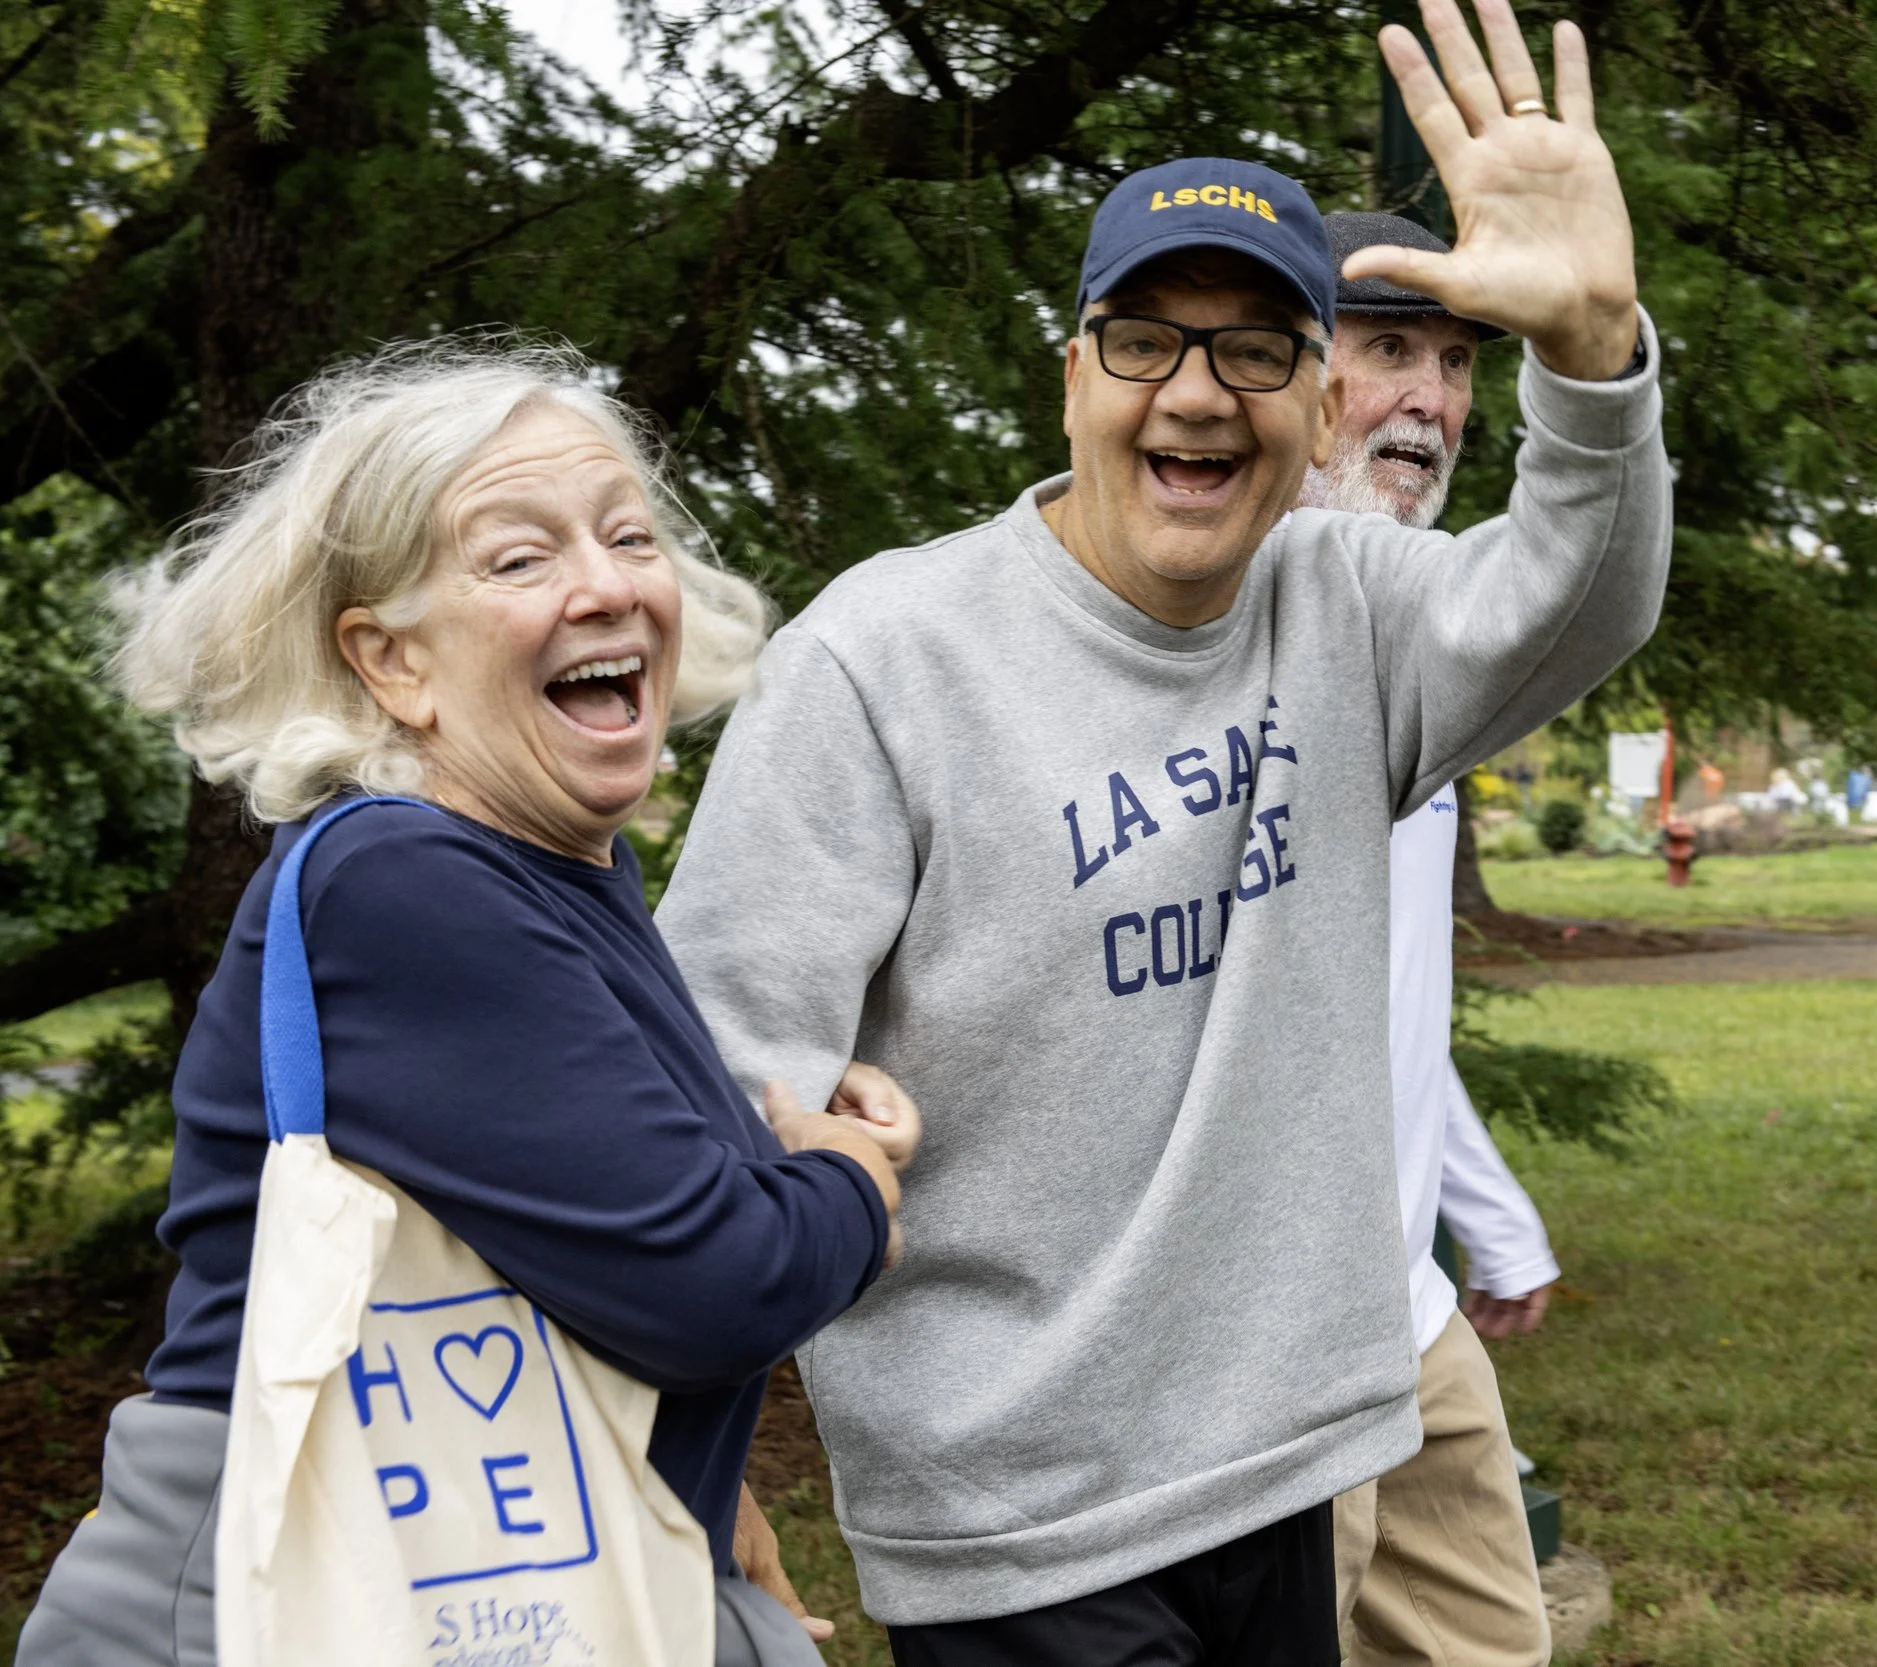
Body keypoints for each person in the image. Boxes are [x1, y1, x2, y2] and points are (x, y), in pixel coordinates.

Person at [655, 0, 1668, 1654]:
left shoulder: (1342, 610)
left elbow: (1576, 598)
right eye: (1147, 339)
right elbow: (718, 1075)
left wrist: (1592, 349)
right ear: (1073, 375)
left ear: (1313, 401)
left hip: (1283, 1460)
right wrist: (689, 1462)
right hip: (1015, 1514)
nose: (1198, 393)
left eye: (1257, 347)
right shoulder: (881, 660)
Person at [18, 340, 911, 1667]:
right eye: (519, 558)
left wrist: (701, 1484)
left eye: (626, 535)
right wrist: (853, 1187)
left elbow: (590, 1212)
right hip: (265, 1605)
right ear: (390, 663)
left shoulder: (555, 870)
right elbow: (713, 1280)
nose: (604, 583)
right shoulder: (402, 878)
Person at [1298, 209, 1558, 1667]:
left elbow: (1377, 996)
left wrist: (1487, 1210)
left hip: (1410, 1318)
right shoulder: (1205, 617)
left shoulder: (1427, 623)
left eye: (1457, 362)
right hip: (1267, 1359)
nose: (1434, 401)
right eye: (1389, 347)